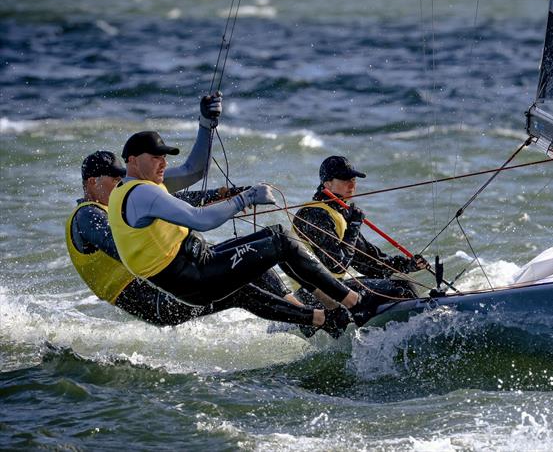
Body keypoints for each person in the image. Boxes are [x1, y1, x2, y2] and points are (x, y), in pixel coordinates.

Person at [66, 96, 348, 334]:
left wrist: (206, 128)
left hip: (173, 282)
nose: (121, 181)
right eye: (114, 178)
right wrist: (196, 222)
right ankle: (316, 317)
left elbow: (188, 176)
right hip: (157, 297)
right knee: (241, 278)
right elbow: (127, 244)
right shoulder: (87, 217)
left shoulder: (130, 195)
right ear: (92, 183)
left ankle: (307, 317)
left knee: (250, 265)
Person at [106, 129, 362, 328]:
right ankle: (354, 302)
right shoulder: (142, 194)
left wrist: (206, 124)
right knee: (279, 240)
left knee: (247, 284)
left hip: (191, 272)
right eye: (155, 158)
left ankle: (323, 320)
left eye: (164, 157)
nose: (162, 163)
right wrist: (246, 198)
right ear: (132, 161)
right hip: (192, 275)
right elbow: (199, 219)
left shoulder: (134, 186)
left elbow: (193, 169)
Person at [292, 155, 428, 325]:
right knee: (402, 289)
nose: (352, 184)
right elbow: (337, 265)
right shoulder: (313, 214)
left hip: (335, 289)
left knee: (400, 285)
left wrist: (408, 265)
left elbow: (367, 262)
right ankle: (424, 326)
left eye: (353, 179)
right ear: (327, 184)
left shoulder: (339, 213)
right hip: (314, 298)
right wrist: (354, 225)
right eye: (344, 179)